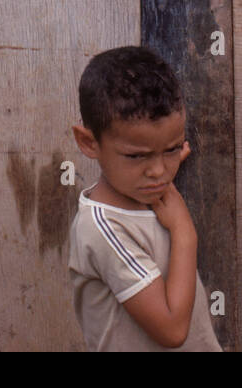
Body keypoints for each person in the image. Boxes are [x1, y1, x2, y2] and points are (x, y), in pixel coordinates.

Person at [68, 46, 222, 351]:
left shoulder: (143, 182)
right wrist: (184, 232)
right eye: (137, 155)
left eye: (172, 149)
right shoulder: (103, 229)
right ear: (89, 142)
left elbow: (155, 161)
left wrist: (160, 156)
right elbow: (172, 329)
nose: (158, 172)